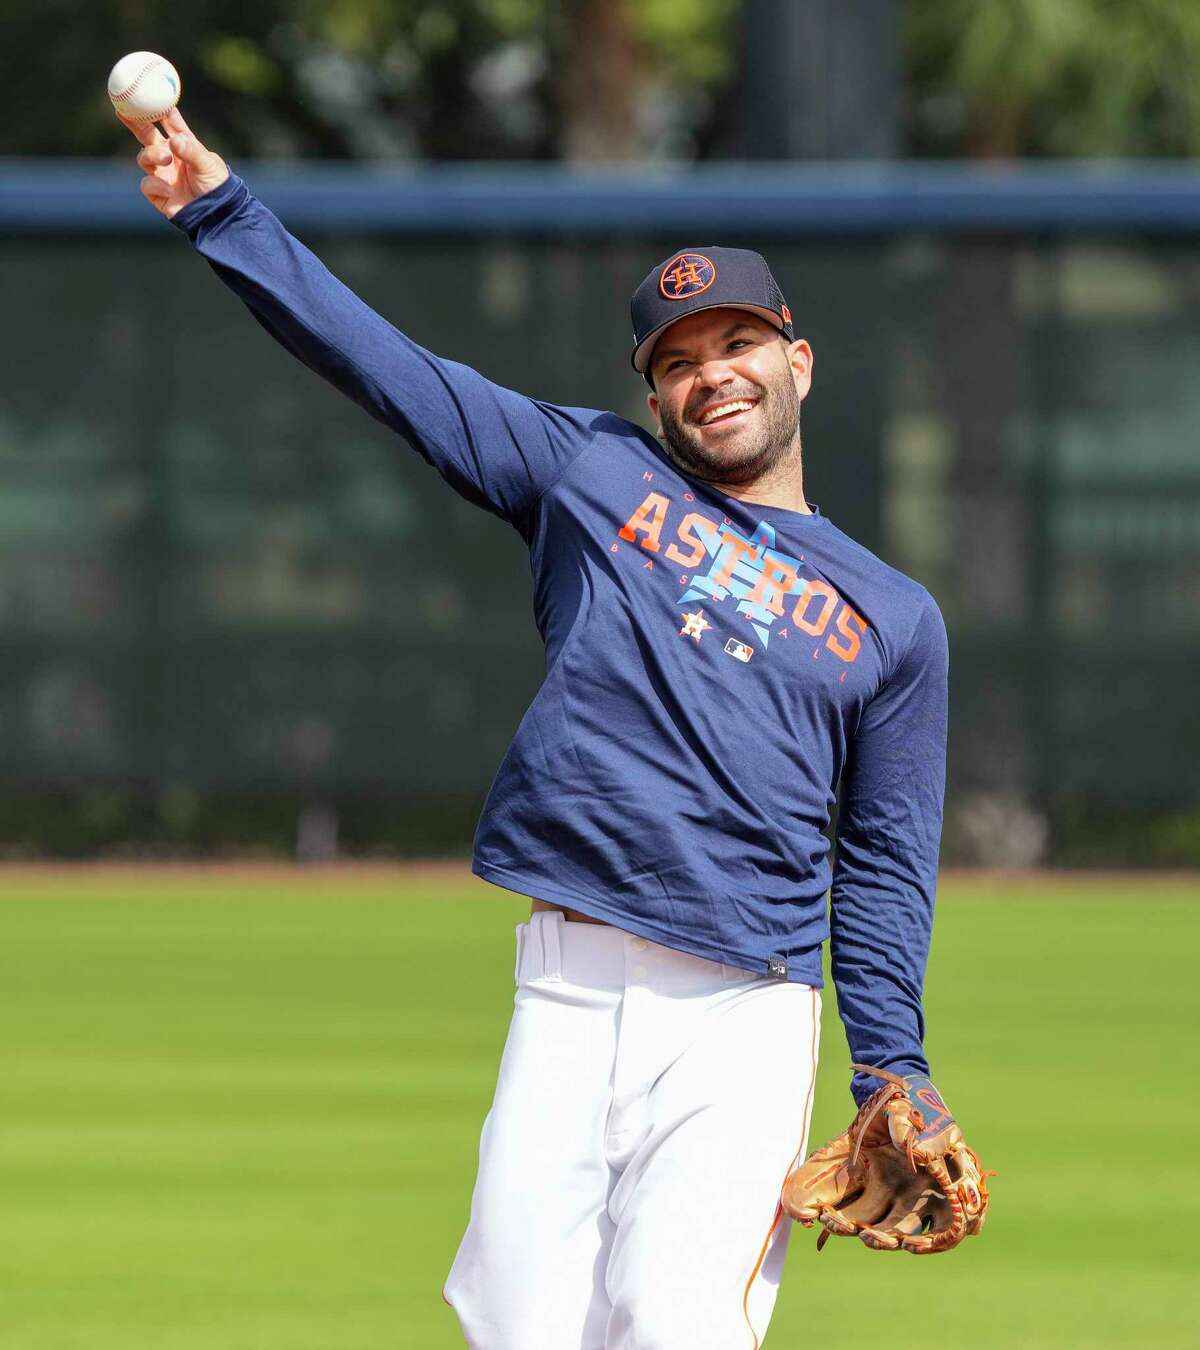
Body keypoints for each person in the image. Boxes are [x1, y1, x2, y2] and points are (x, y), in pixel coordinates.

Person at [119, 108, 956, 1349]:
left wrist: (893, 1068)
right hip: (562, 990)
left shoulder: (892, 617)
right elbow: (394, 371)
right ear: (656, 392)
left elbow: (885, 861)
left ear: (800, 363)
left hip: (744, 1013)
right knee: (516, 1324)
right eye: (678, 358)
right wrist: (224, 210)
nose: (710, 371)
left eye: (738, 343)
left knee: (677, 1323)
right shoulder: (593, 476)